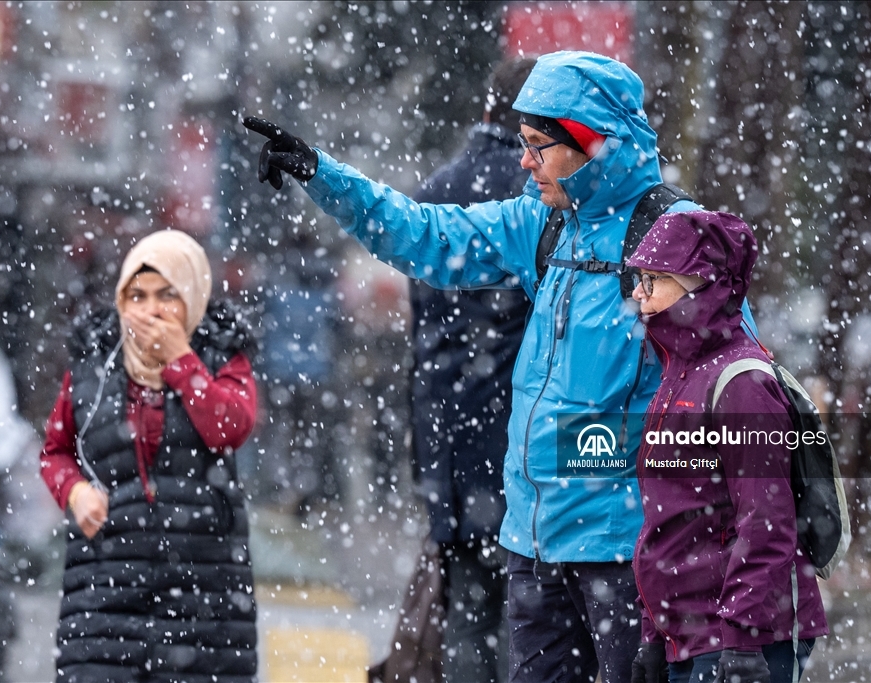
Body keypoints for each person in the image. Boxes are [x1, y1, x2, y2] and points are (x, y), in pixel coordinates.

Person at [243, 50, 755, 683]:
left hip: (629, 558)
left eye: (540, 146)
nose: (524, 162)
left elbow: (732, 394)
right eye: (523, 143)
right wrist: (322, 175)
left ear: (592, 143)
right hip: (533, 548)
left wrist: (634, 481)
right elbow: (423, 237)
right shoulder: (542, 223)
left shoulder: (676, 236)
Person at [38, 230, 259, 683]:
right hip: (104, 593)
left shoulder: (221, 358)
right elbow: (56, 451)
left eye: (167, 296)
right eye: (136, 295)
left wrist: (181, 360)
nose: (150, 309)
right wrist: (75, 492)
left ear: (193, 299)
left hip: (203, 597)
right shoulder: (91, 368)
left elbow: (230, 426)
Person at [625, 211, 828, 683]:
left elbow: (765, 523)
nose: (638, 293)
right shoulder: (678, 374)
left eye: (653, 280)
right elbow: (669, 516)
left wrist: (741, 638)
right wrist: (655, 635)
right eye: (639, 279)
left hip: (740, 640)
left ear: (703, 285)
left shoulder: (742, 384)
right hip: (691, 637)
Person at [409, 57, 535, 683]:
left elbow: (422, 330)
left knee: (466, 609)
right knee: (530, 615)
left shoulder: (435, 191)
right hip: (524, 438)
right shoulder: (542, 196)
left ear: (487, 110)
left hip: (448, 434)